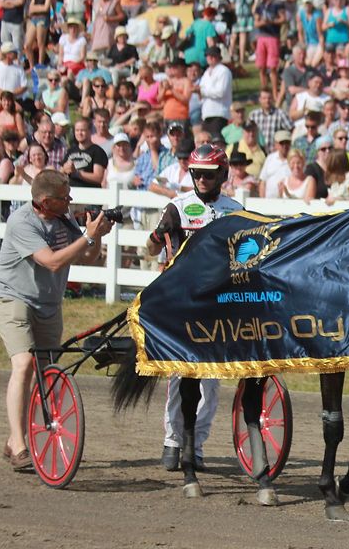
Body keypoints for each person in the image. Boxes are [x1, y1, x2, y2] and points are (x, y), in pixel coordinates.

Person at [0, 169, 114, 469]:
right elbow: (53, 262)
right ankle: (20, 446)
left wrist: (95, 237)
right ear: (45, 202)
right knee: (24, 364)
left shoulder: (64, 218)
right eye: (63, 197)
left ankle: (14, 438)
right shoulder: (22, 222)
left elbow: (88, 257)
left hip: (48, 302)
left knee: (50, 373)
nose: (70, 199)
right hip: (13, 298)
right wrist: (87, 236)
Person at [147, 144, 244, 471]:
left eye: (208, 174)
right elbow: (151, 250)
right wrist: (157, 236)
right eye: (197, 174)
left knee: (211, 381)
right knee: (180, 375)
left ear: (222, 173)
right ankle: (173, 440)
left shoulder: (236, 210)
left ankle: (196, 444)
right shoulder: (177, 207)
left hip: (219, 304)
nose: (202, 180)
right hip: (183, 301)